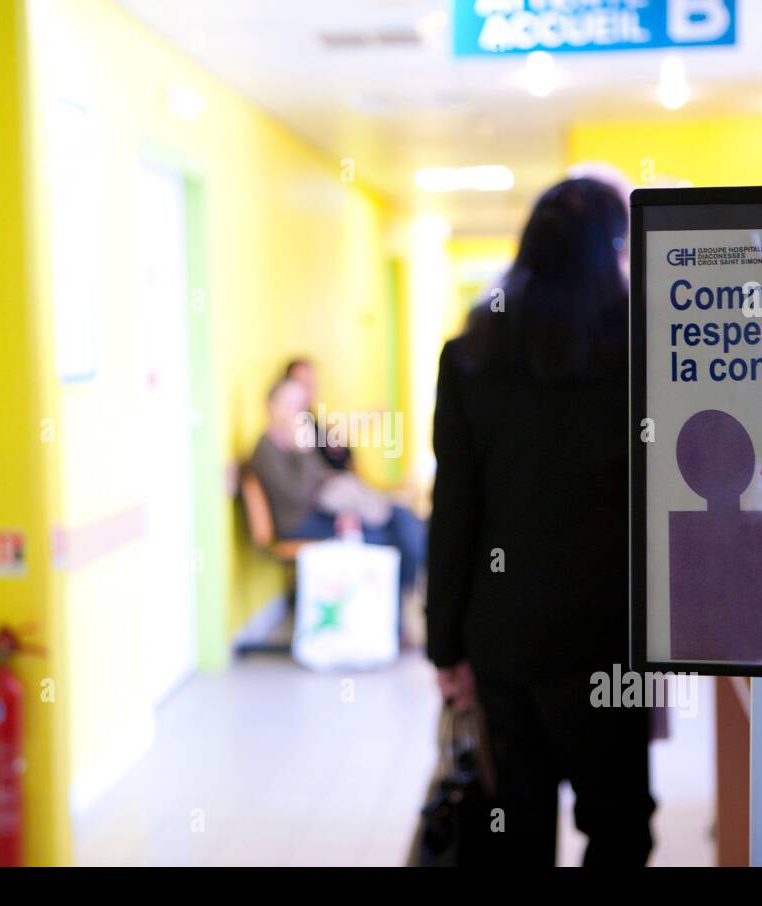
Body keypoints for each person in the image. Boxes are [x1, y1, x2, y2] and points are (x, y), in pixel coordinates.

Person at [426, 177, 655, 866]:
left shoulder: (471, 356)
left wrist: (445, 644)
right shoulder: (641, 351)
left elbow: (455, 510)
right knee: (618, 827)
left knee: (514, 834)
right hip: (609, 634)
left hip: (504, 635)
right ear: (615, 251)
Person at [249, 377, 424, 593]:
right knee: (391, 538)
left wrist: (343, 511)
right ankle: (399, 603)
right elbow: (297, 496)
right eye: (291, 406)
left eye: (300, 406)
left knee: (402, 516)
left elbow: (318, 480)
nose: (297, 413)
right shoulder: (266, 450)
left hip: (321, 514)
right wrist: (302, 451)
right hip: (300, 524)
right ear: (272, 408)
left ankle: (401, 602)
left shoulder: (290, 443)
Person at [285, 357, 354, 472]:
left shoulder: (311, 420)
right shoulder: (285, 426)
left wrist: (336, 446)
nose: (309, 389)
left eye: (312, 383)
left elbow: (338, 461)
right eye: (304, 383)